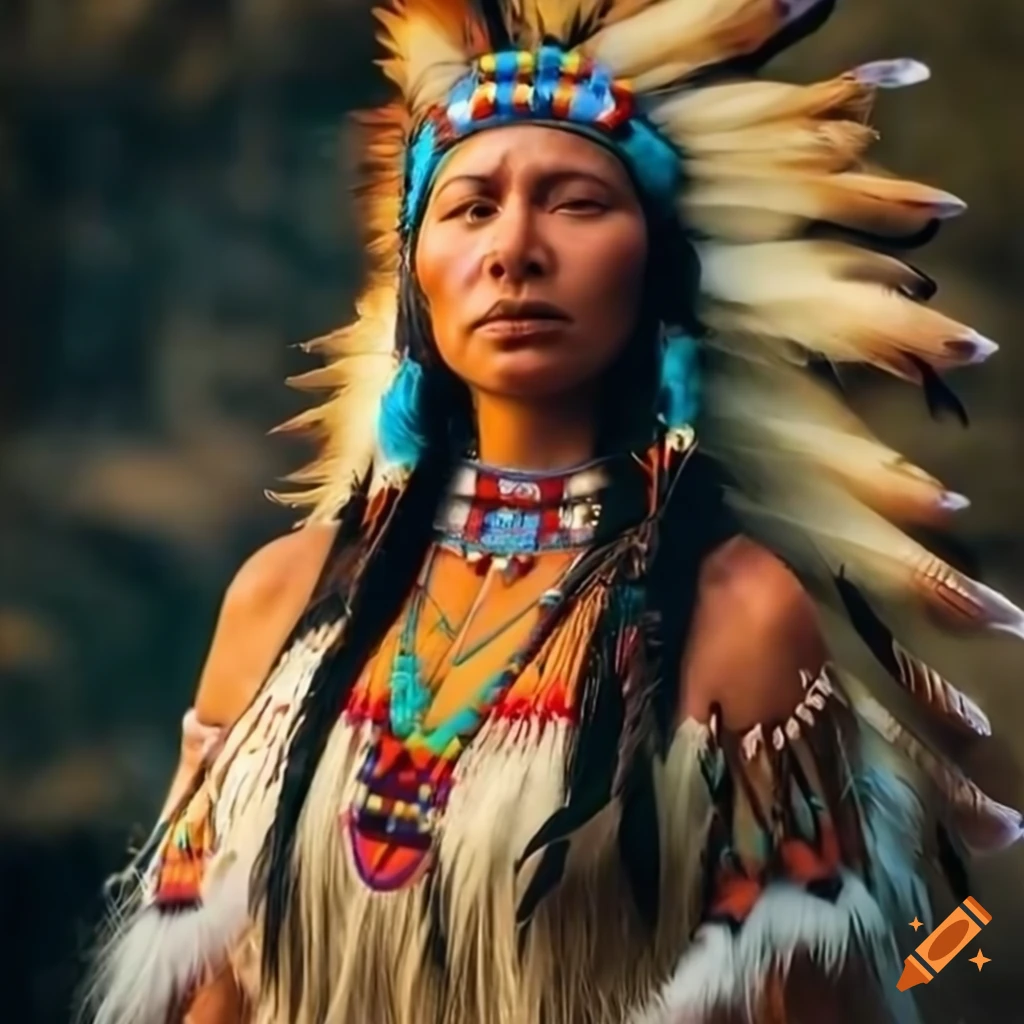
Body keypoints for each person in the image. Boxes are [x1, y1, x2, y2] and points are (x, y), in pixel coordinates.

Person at [86, 1, 1023, 1022]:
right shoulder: (281, 598)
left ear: (655, 270)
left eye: (574, 202)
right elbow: (210, 990)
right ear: (415, 275)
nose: (515, 249)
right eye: (471, 206)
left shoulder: (737, 617)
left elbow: (814, 1002)